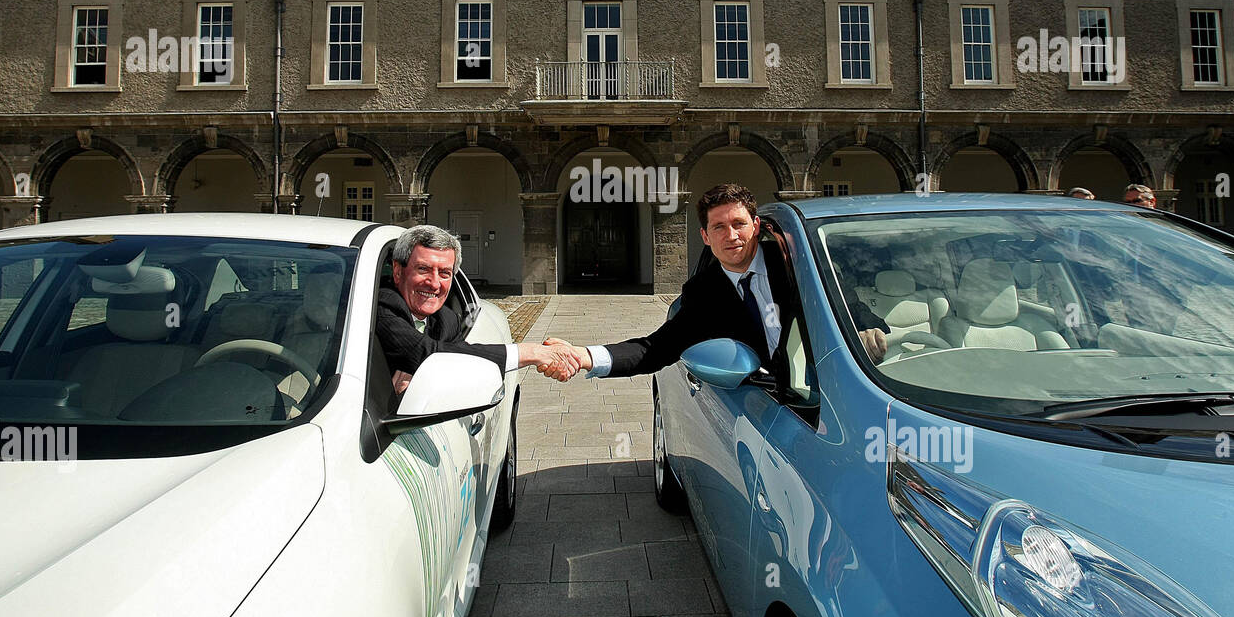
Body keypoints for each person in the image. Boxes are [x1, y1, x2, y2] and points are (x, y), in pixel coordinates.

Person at [543, 183, 890, 380]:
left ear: (755, 226)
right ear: (705, 237)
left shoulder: (797, 266)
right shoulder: (702, 293)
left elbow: (856, 314)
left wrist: (868, 334)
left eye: (739, 223)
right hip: (769, 402)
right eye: (719, 227)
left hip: (831, 388)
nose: (732, 235)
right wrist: (584, 356)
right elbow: (655, 349)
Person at [376, 225, 578, 391]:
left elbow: (458, 358)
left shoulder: (448, 319)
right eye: (423, 269)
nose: (435, 283)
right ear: (397, 271)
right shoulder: (381, 306)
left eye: (445, 273)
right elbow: (427, 354)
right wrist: (532, 352)